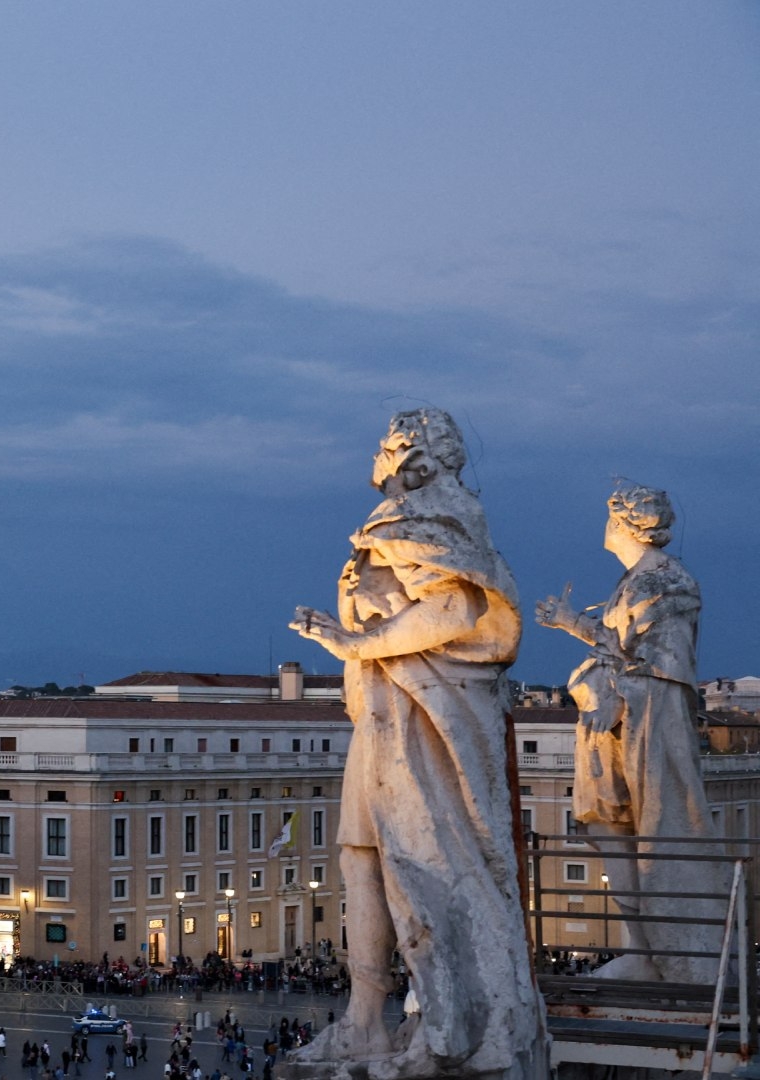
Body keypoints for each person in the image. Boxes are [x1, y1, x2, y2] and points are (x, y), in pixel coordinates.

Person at [291, 409, 544, 1080]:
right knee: (360, 857)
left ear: (422, 454)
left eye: (395, 445)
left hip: (426, 726)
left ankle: (446, 1018)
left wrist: (357, 636)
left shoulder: (445, 516)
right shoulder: (390, 525)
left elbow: (456, 611)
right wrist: (356, 602)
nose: (383, 456)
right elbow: (383, 604)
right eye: (383, 443)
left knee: (419, 864)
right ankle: (364, 1019)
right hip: (378, 711)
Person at [535, 483, 727, 983]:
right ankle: (642, 950)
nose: (604, 524)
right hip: (614, 724)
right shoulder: (632, 582)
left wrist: (618, 691)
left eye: (609, 516)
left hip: (646, 723)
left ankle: (665, 955)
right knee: (609, 827)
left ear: (622, 524)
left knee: (653, 826)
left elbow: (665, 663)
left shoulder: (667, 580)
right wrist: (573, 625)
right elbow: (624, 650)